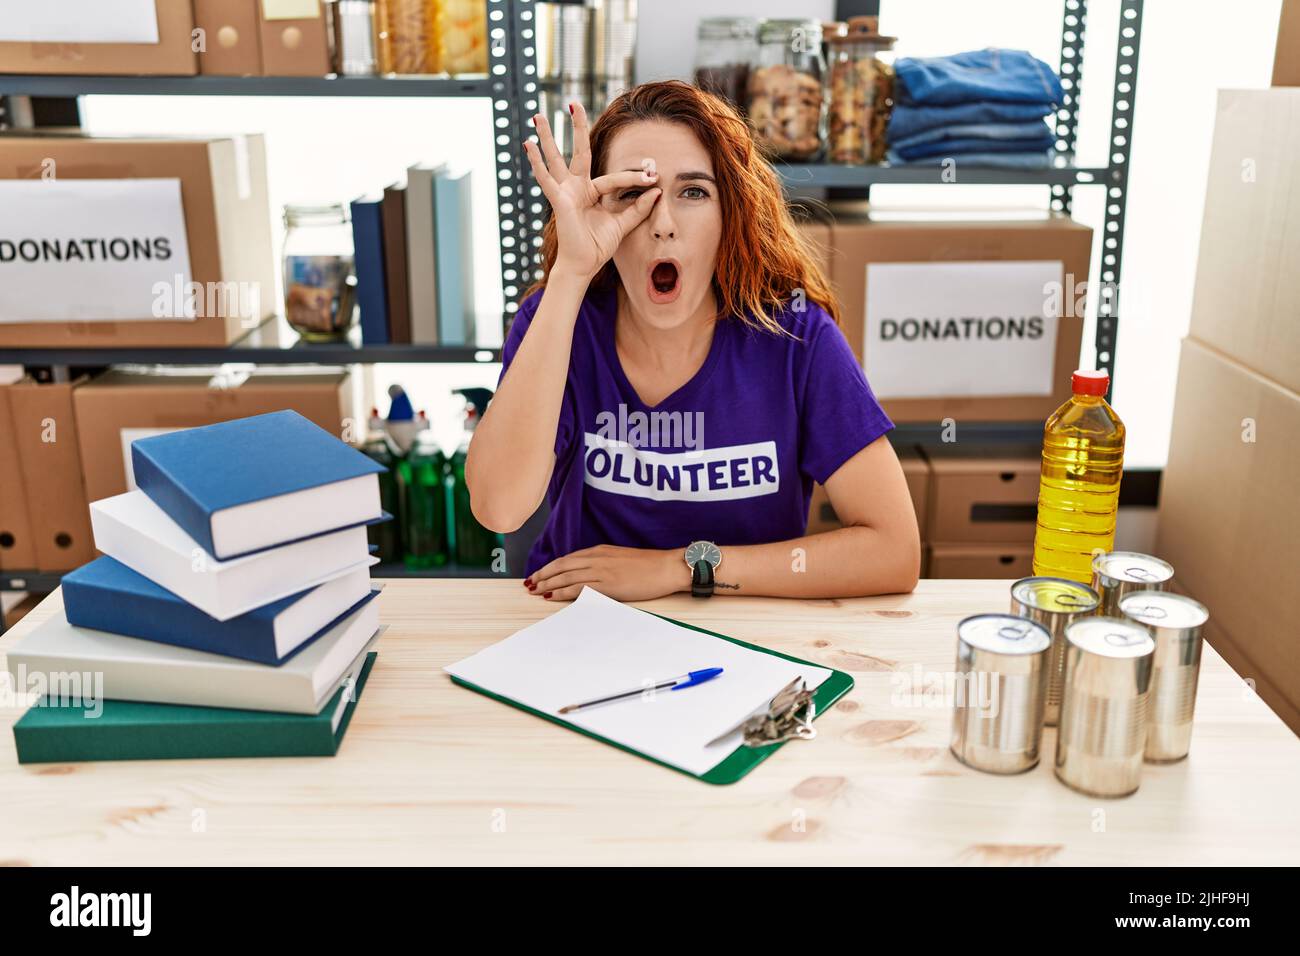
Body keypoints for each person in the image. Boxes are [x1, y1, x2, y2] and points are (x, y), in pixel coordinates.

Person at [467, 80, 920, 602]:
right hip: (576, 626)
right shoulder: (557, 320)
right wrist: (571, 271)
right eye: (633, 194)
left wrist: (680, 568)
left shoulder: (796, 337)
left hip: (750, 633)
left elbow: (894, 551)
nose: (662, 224)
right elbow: (497, 508)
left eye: (694, 192)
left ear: (732, 215)